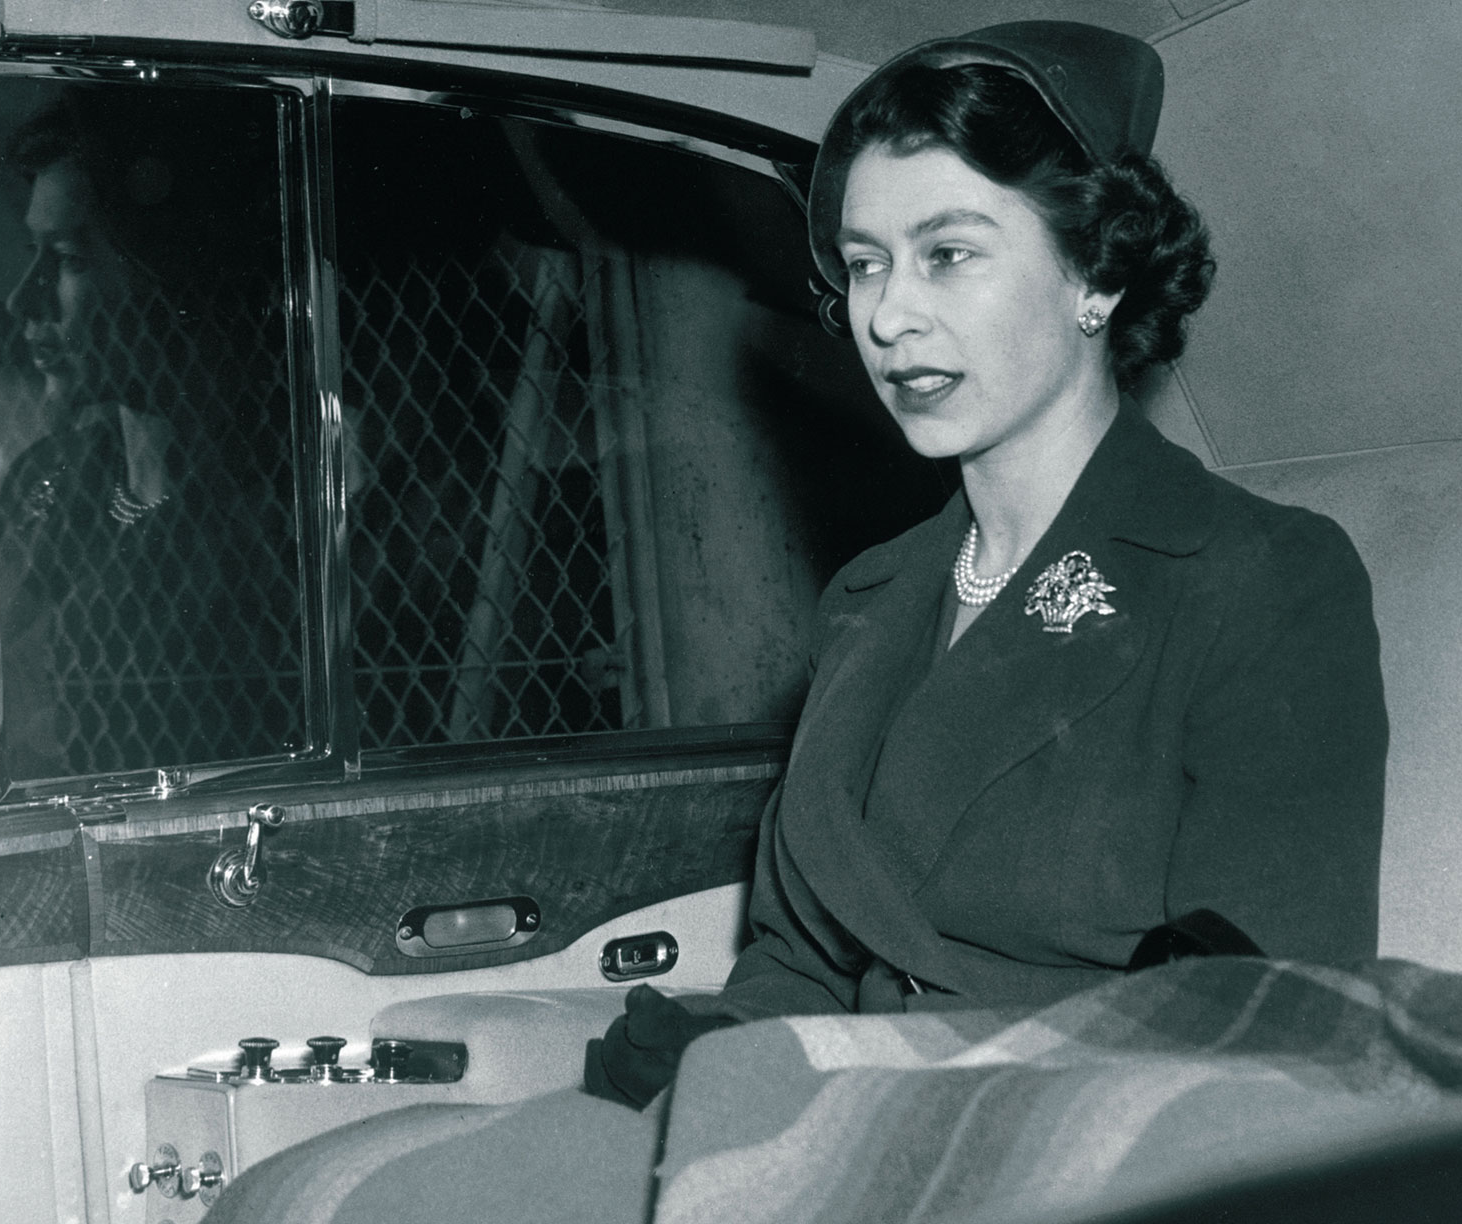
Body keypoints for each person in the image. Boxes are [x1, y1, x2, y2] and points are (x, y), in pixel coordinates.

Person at [585, 20, 1389, 1107]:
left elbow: (1258, 1034)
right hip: (837, 1126)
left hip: (1067, 1179)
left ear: (1094, 275)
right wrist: (713, 1057)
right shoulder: (871, 599)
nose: (889, 315)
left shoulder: (1258, 579)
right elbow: (799, 963)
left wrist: (852, 1087)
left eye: (948, 255)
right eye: (866, 265)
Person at [0, 84, 294, 779]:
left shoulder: (278, 517)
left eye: (67, 259)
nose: (21, 300)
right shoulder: (45, 481)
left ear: (162, 278)